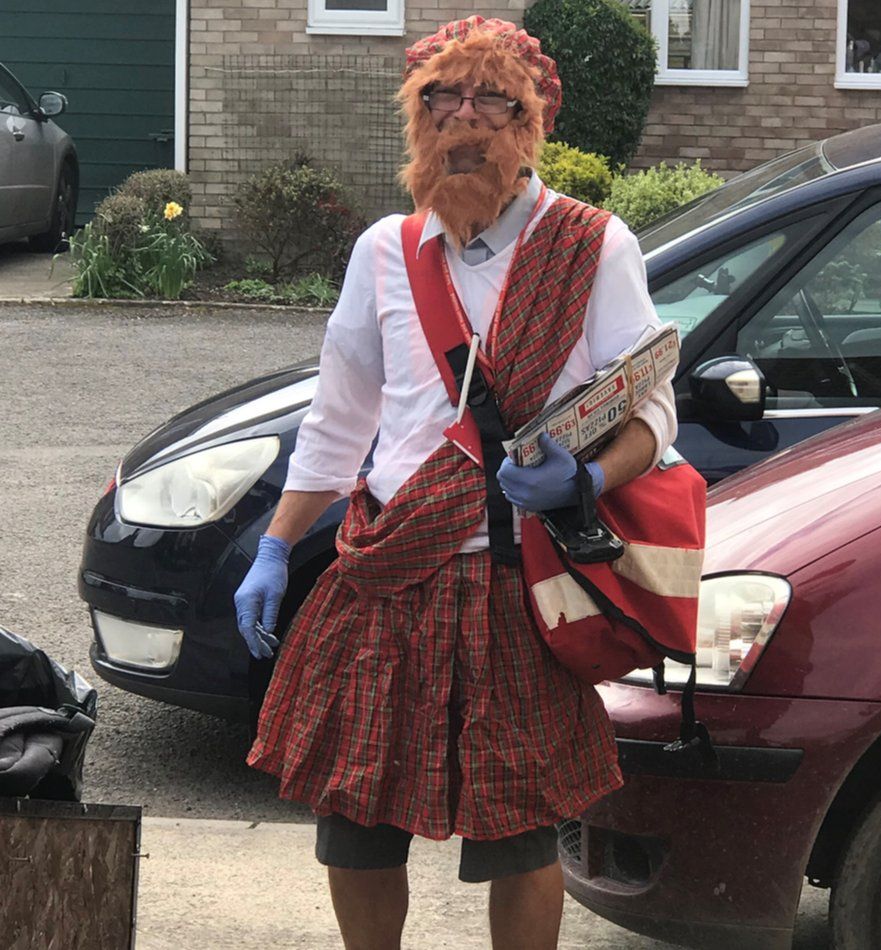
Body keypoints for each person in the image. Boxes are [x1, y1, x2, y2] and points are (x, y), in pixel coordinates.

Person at [235, 16, 677, 950]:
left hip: (517, 586)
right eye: (443, 97)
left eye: (491, 101)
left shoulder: (592, 248)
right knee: (354, 822)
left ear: (533, 122)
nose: (463, 121)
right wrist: (276, 545)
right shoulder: (382, 253)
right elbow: (340, 418)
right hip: (390, 573)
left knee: (518, 835)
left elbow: (653, 413)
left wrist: (587, 476)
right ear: (417, 114)